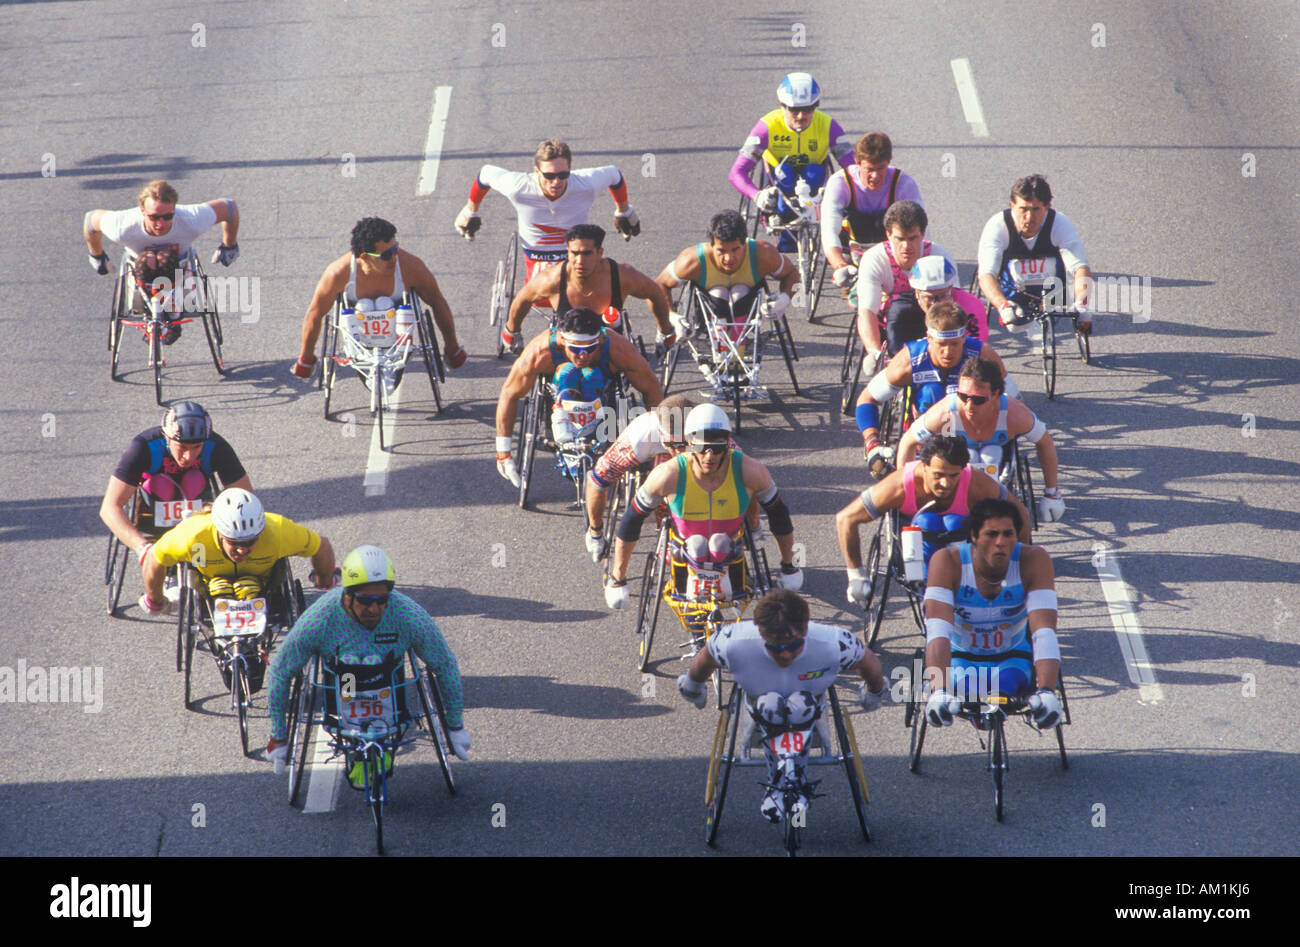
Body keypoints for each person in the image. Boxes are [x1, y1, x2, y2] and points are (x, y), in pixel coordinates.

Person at [265, 546, 471, 781]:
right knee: (349, 670)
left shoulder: (408, 615)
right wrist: (279, 735)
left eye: (382, 600)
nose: (374, 609)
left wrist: (455, 726)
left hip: (388, 685)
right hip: (346, 684)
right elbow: (281, 671)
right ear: (347, 595)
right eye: (365, 601)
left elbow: (444, 664)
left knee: (381, 665)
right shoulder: (319, 619)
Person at [678, 588, 886, 821]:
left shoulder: (834, 643)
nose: (784, 655)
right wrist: (692, 686)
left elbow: (869, 663)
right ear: (760, 632)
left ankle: (795, 780)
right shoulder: (733, 641)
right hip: (761, 704)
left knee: (799, 703)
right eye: (774, 647)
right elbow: (704, 660)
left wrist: (875, 690)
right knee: (771, 703)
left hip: (808, 704)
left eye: (792, 646)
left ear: (805, 629)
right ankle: (777, 784)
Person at [604, 404, 802, 609]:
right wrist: (618, 578)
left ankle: (722, 577)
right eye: (701, 448)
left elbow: (778, 514)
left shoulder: (751, 470)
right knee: (697, 544)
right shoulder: (668, 474)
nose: (710, 456)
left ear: (728, 444)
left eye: (717, 449)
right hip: (685, 548)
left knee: (719, 543)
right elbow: (631, 519)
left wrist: (789, 566)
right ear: (689, 443)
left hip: (728, 546)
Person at [454, 139, 640, 348]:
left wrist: (623, 210)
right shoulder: (519, 187)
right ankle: (513, 331)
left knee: (600, 289)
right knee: (547, 295)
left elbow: (614, 175)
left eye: (563, 175)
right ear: (536, 172)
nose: (556, 182)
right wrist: (471, 210)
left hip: (576, 256)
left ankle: (612, 337)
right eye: (549, 176)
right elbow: (485, 174)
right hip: (538, 260)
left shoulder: (584, 184)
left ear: (570, 170)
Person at [835, 434, 1032, 606]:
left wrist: (1015, 567)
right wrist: (856, 575)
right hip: (916, 544)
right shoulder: (899, 485)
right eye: (938, 475)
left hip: (962, 545)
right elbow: (846, 518)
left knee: (954, 522)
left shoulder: (975, 481)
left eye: (953, 475)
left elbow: (1020, 513)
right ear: (924, 466)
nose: (946, 483)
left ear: (963, 469)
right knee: (927, 521)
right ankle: (929, 590)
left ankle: (957, 584)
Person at [921, 499, 1063, 731]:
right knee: (968, 688)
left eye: (1008, 534)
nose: (1000, 542)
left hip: (1012, 657)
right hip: (961, 659)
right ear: (974, 536)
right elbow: (938, 632)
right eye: (991, 534)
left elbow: (1044, 631)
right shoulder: (947, 562)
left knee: (1005, 686)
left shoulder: (1034, 559)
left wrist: (1047, 690)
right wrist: (938, 690)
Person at [101, 402, 253, 601]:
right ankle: (170, 571)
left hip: (198, 512)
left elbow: (246, 499)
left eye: (197, 447)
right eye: (182, 447)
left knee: (194, 480)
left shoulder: (216, 446)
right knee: (160, 485)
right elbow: (110, 507)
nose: (189, 456)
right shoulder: (143, 446)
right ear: (167, 438)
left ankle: (199, 566)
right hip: (152, 511)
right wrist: (142, 547)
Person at [495, 307, 664, 486]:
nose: (583, 355)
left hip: (601, 395)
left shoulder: (618, 348)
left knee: (592, 375)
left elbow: (651, 388)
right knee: (567, 371)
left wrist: (658, 445)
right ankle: (567, 436)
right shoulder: (539, 352)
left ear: (600, 340)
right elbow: (510, 393)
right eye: (575, 349)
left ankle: (591, 429)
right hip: (562, 394)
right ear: (562, 340)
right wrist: (503, 454)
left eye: (590, 348)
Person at [292, 217, 466, 380]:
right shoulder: (338, 273)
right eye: (385, 255)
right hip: (357, 324)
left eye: (395, 248)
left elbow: (437, 301)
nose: (394, 257)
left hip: (397, 318)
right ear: (364, 257)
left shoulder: (411, 266)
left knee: (387, 303)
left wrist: (452, 348)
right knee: (364, 306)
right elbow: (315, 313)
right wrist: (306, 359)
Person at [897, 358, 1065, 522]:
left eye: (978, 399)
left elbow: (1045, 442)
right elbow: (908, 441)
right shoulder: (944, 411)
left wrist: (1052, 493)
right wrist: (907, 492)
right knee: (968, 457)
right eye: (963, 397)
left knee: (991, 454)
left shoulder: (1015, 413)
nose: (969, 406)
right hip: (959, 456)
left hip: (996, 452)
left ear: (995, 394)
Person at [855, 300, 1012, 472]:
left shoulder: (983, 355)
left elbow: (1012, 399)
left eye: (954, 344)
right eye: (941, 344)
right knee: (932, 391)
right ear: (929, 338)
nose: (948, 352)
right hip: (929, 431)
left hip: (974, 431)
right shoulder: (908, 361)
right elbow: (866, 399)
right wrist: (872, 443)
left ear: (964, 337)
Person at [85, 179, 240, 344]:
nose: (161, 224)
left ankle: (173, 310)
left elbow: (229, 208)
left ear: (174, 210)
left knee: (166, 260)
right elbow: (90, 221)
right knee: (147, 260)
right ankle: (147, 310)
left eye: (168, 216)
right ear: (142, 211)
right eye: (154, 217)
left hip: (178, 266)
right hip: (140, 266)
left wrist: (229, 244)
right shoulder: (122, 225)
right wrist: (97, 255)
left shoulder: (192, 219)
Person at [138, 488, 335, 615]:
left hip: (262, 583)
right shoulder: (193, 534)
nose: (242, 550)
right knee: (217, 586)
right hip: (210, 584)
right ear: (220, 534)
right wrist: (156, 599)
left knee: (252, 587)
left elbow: (321, 546)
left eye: (250, 541)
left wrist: (323, 582)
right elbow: (155, 558)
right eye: (234, 542)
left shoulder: (277, 530)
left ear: (260, 532)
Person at [729, 72, 853, 252]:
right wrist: (757, 195)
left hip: (813, 180)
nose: (801, 116)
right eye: (794, 110)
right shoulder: (766, 127)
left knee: (814, 172)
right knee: (785, 171)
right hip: (779, 180)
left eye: (809, 109)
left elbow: (854, 168)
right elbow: (737, 172)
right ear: (782, 106)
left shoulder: (828, 126)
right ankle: (783, 221)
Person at [501, 224, 673, 353]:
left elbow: (656, 293)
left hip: (608, 345)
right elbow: (522, 299)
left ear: (600, 253)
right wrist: (512, 331)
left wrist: (665, 330)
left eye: (587, 254)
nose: (579, 261)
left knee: (642, 376)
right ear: (567, 252)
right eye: (574, 253)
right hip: (567, 347)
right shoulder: (552, 279)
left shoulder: (621, 275)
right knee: (529, 367)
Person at [656, 209, 799, 341]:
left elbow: (792, 273)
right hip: (710, 311)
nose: (729, 258)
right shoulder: (691, 260)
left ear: (745, 244)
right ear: (711, 245)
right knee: (720, 294)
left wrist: (785, 298)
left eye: (735, 249)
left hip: (746, 306)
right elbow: (659, 285)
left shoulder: (763, 254)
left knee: (739, 293)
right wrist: (670, 317)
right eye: (722, 251)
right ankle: (721, 342)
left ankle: (739, 340)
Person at [977, 174, 1093, 334]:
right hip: (1013, 292)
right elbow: (986, 275)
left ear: (1047, 207)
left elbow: (1080, 267)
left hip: (1051, 289)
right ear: (1012, 206)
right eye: (1023, 209)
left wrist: (1082, 303)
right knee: (1013, 326)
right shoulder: (997, 226)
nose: (1029, 217)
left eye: (1036, 209)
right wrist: (1002, 305)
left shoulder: (1059, 223)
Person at [851, 200, 955, 358]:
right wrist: (874, 352)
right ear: (888, 235)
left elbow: (956, 306)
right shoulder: (874, 259)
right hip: (890, 320)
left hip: (933, 315)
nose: (906, 246)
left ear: (923, 233)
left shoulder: (940, 257)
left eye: (912, 238)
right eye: (900, 239)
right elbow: (867, 312)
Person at [820, 133, 923, 289]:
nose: (875, 176)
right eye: (869, 169)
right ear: (857, 163)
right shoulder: (840, 182)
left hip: (887, 240)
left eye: (881, 168)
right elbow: (829, 228)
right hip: (852, 239)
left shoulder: (903, 183)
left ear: (888, 162)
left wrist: (917, 270)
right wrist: (839, 265)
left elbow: (921, 230)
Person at [907, 254, 988, 343]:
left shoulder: (972, 306)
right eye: (930, 297)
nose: (936, 304)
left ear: (951, 288)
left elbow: (977, 347)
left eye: (943, 296)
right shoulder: (902, 309)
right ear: (917, 293)